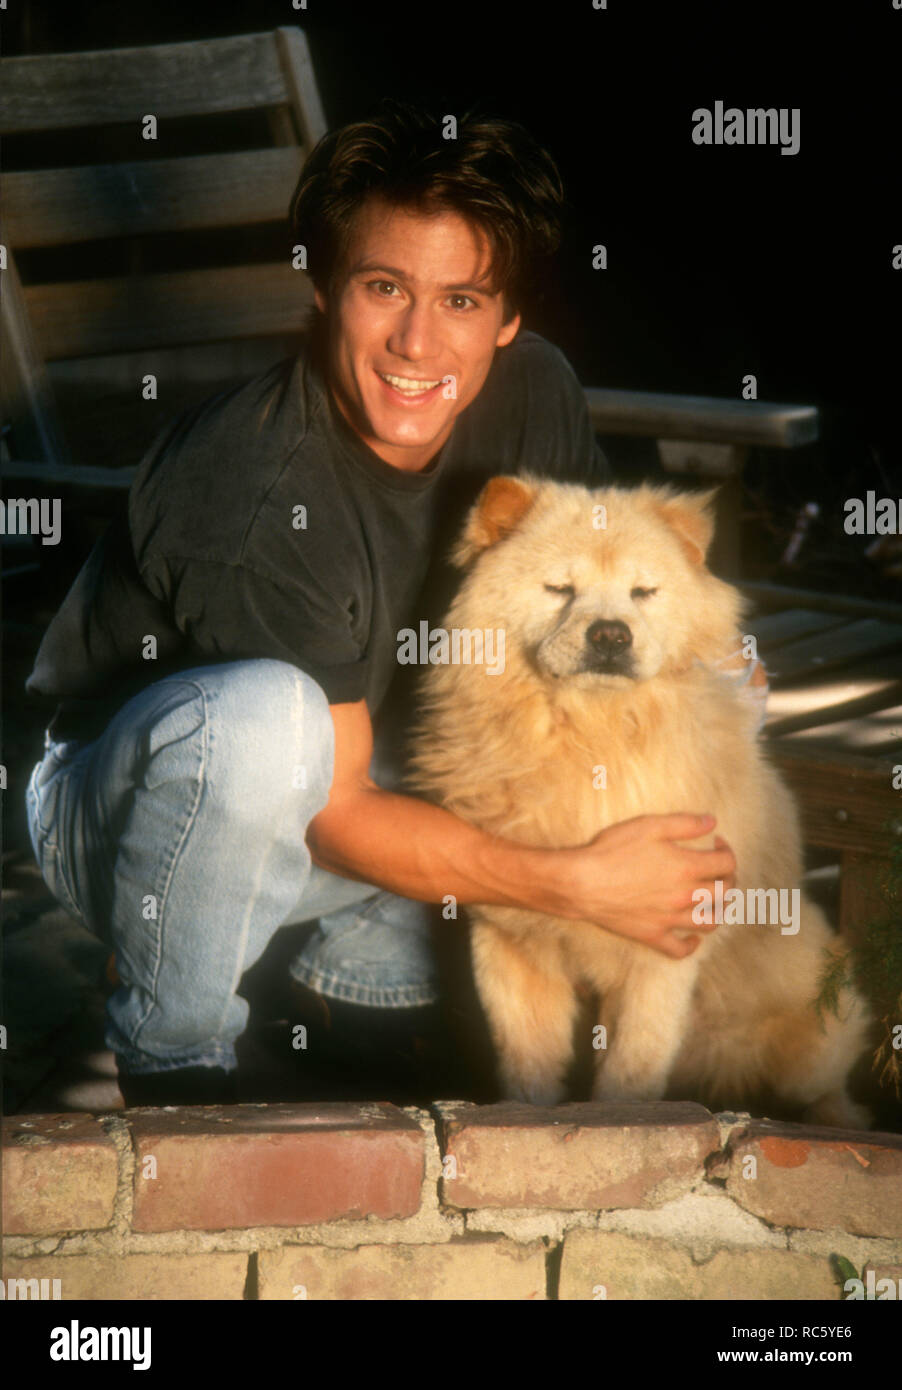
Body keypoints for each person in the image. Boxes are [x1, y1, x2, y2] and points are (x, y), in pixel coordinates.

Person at [24, 100, 755, 1106]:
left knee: (708, 694)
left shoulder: (533, 391)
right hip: (133, 807)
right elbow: (329, 802)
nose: (417, 343)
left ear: (506, 321)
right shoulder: (246, 480)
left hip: (378, 761)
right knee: (266, 721)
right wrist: (576, 885)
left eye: (461, 301)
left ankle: (317, 971)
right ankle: (171, 1061)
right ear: (325, 288)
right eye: (383, 287)